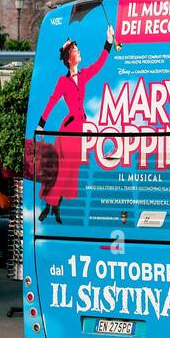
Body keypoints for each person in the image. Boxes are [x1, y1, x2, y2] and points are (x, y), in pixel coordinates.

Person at [36, 24, 114, 223]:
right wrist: (41, 124)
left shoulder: (85, 74)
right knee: (61, 169)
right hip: (69, 128)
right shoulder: (63, 82)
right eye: (76, 51)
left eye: (78, 50)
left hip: (79, 129)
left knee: (69, 171)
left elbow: (100, 63)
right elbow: (52, 100)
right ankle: (50, 206)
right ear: (69, 57)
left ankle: (56, 206)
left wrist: (109, 42)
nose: (79, 53)